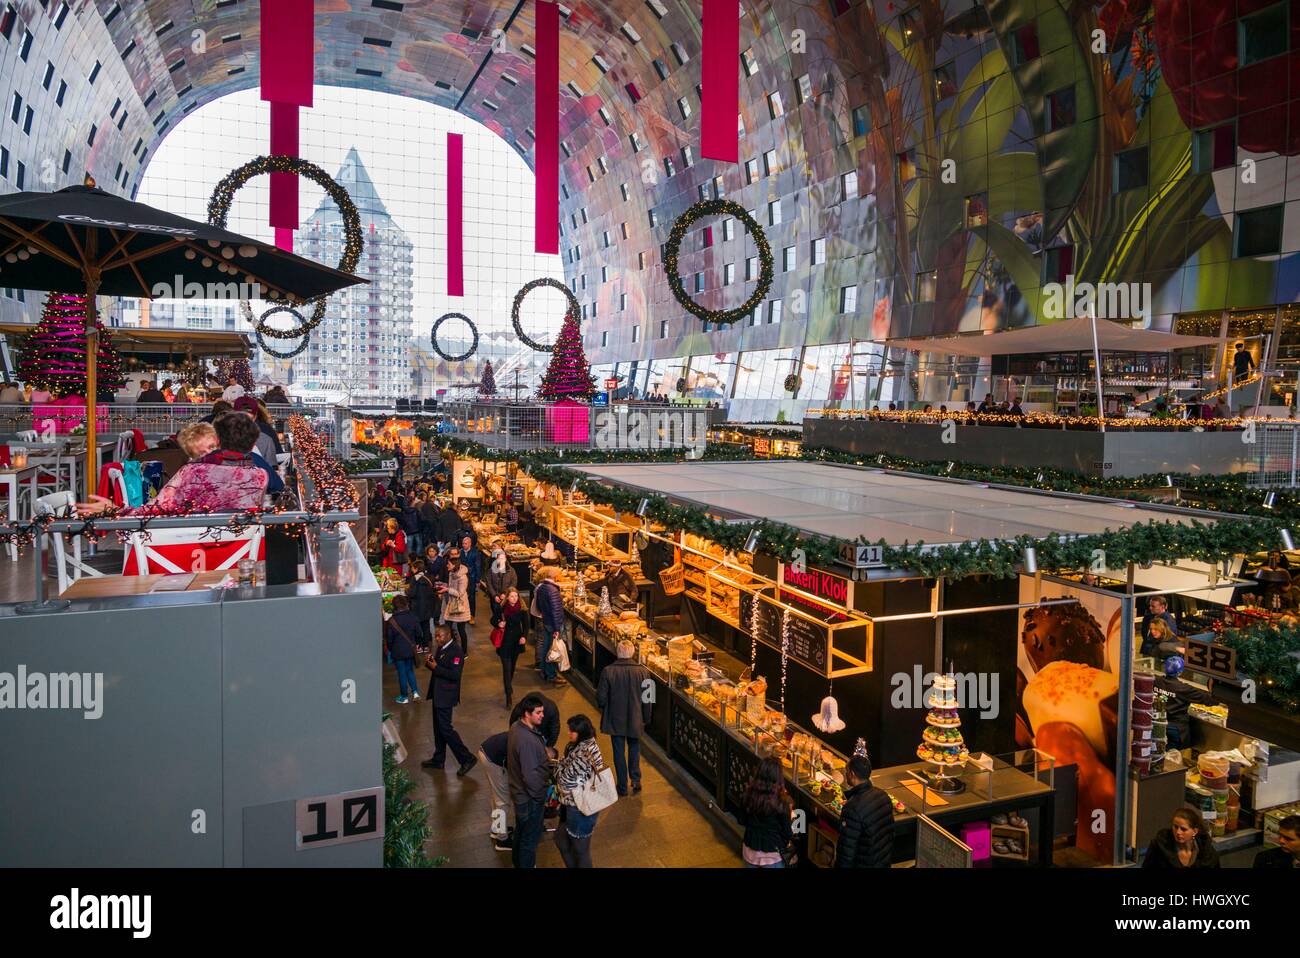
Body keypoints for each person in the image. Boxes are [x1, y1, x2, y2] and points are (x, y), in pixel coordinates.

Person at [596, 638, 653, 796]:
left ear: (618, 653)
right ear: (632, 653)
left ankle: (622, 786)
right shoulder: (644, 672)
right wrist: (646, 719)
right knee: (635, 748)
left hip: (615, 718)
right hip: (636, 718)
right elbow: (649, 700)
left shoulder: (608, 671)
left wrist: (604, 707)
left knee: (618, 752)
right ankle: (635, 779)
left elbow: (600, 697)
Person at [420, 625, 477, 776]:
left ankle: (467, 758)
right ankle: (439, 759)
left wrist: (435, 667)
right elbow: (439, 665)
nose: (437, 638)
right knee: (438, 728)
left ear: (448, 635)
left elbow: (455, 675)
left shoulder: (456, 651)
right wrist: (430, 662)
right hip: (438, 694)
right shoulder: (442, 648)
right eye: (436, 636)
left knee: (446, 729)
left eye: (440, 636)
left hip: (446, 696)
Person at [553, 714, 608, 868]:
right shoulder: (584, 744)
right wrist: (562, 767)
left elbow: (564, 783)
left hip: (580, 809)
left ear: (581, 732)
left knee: (581, 850)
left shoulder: (583, 753)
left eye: (572, 731)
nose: (569, 734)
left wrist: (558, 768)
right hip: (574, 806)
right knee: (561, 839)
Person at [507, 694, 552, 868]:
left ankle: (517, 863)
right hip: (529, 799)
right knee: (529, 841)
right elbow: (530, 775)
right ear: (527, 713)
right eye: (538, 712)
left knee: (521, 832)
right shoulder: (526, 740)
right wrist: (540, 796)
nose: (542, 715)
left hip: (519, 795)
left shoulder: (516, 727)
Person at [200, 412, 284, 493]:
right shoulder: (257, 463)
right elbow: (280, 489)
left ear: (217, 439)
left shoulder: (201, 463)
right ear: (252, 443)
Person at [835, 754, 894, 867]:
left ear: (852, 774)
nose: (845, 774)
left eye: (846, 771)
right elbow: (890, 835)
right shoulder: (883, 796)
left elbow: (846, 851)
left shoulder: (852, 808)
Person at [737, 756, 795, 867]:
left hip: (750, 852)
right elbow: (787, 833)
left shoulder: (748, 795)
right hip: (773, 856)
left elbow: (741, 820)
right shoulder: (783, 802)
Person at [1155, 656, 1216, 750]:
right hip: (1176, 728)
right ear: (1180, 672)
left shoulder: (1156, 681)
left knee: (1159, 752)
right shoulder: (1183, 689)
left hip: (1157, 723)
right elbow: (1209, 700)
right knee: (1173, 754)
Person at [479, 722, 516, 852]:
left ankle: (496, 829)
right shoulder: (529, 746)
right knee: (503, 801)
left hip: (487, 751)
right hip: (493, 759)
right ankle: (502, 840)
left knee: (497, 796)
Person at [1142, 807, 1220, 868]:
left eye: (1183, 829)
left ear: (1195, 831)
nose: (1178, 832)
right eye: (1175, 827)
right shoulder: (1160, 847)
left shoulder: (1207, 854)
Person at [533, 564, 568, 688]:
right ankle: (551, 675)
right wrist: (557, 628)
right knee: (552, 650)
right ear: (553, 576)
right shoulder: (552, 590)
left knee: (546, 647)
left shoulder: (542, 587)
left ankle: (543, 671)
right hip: (552, 624)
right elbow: (556, 610)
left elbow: (539, 605)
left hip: (546, 620)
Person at [385, 595, 423, 705]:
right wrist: (415, 643)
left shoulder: (392, 621)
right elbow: (419, 633)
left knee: (401, 673)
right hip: (410, 650)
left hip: (398, 651)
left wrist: (391, 650)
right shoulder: (413, 617)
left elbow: (390, 638)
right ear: (406, 604)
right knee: (410, 670)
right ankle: (415, 693)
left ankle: (404, 696)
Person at [496, 586, 529, 708]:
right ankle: (508, 696)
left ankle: (508, 686)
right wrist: (498, 623)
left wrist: (524, 637)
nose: (514, 598)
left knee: (512, 668)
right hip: (504, 642)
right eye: (511, 596)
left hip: (516, 642)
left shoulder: (522, 609)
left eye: (516, 596)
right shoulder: (502, 608)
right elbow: (493, 619)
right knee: (506, 669)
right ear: (507, 597)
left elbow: (526, 625)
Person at [438, 547, 472, 655]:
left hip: (460, 605)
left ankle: (464, 651)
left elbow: (460, 593)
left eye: (449, 564)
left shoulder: (463, 577)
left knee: (461, 630)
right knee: (448, 626)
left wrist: (447, 589)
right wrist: (443, 586)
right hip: (452, 603)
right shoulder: (451, 573)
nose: (447, 565)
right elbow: (451, 586)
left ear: (454, 565)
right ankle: (452, 649)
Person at [232, 396, 279, 463]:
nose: (244, 423)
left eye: (249, 419)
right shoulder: (266, 439)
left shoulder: (266, 440)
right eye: (241, 418)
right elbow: (272, 468)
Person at [406, 557, 437, 647]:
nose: (411, 569)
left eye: (412, 568)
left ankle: (419, 645)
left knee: (417, 627)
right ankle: (426, 646)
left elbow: (412, 593)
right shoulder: (429, 577)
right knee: (426, 626)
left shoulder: (415, 579)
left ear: (416, 568)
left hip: (417, 607)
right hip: (427, 607)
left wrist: (406, 591)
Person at [484, 544, 519, 624]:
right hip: (495, 598)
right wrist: (494, 595)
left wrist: (506, 594)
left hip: (506, 598)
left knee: (507, 616)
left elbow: (514, 582)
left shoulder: (511, 570)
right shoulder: (491, 570)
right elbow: (489, 583)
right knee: (496, 616)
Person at [460, 533, 482, 621]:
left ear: (470, 544)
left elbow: (478, 566)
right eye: (463, 543)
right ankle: (464, 613)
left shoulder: (475, 553)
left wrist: (477, 580)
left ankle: (472, 615)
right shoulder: (460, 552)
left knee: (471, 597)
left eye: (465, 543)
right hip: (462, 578)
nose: (463, 545)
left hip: (471, 578)